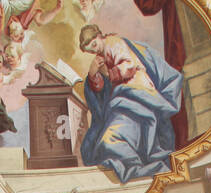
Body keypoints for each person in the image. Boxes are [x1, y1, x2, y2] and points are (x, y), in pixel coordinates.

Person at [78, 24, 183, 183]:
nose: (95, 51)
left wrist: (108, 73)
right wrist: (93, 74)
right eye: (90, 50)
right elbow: (101, 87)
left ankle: (136, 167)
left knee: (110, 140)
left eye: (94, 45)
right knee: (110, 140)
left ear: (100, 36)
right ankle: (135, 167)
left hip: (135, 91)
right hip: (123, 99)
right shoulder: (102, 55)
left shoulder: (113, 43)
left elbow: (128, 65)